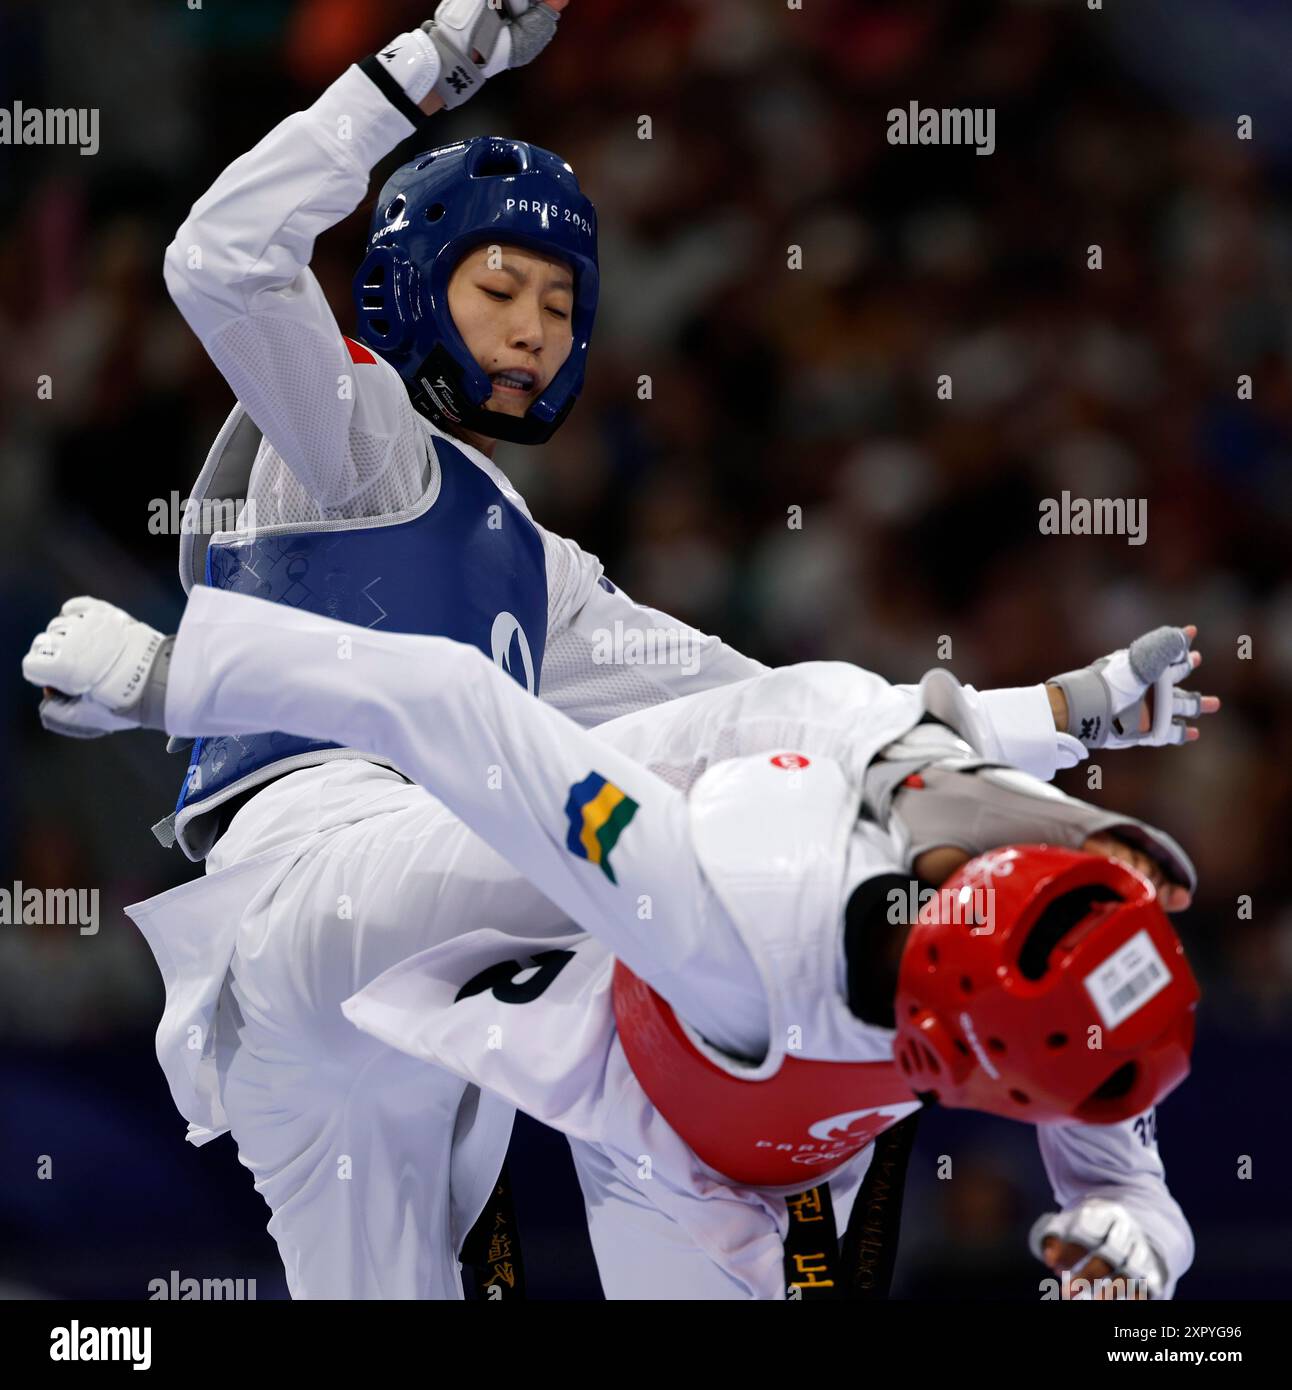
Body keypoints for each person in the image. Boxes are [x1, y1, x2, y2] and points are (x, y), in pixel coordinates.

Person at [24, 589, 1217, 1299]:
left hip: (759, 1163)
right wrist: (169, 678)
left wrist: (1131, 1246)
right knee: (795, 714)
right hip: (647, 1033)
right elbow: (447, 700)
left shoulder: (1078, 952)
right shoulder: (714, 903)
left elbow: (1126, 1185)